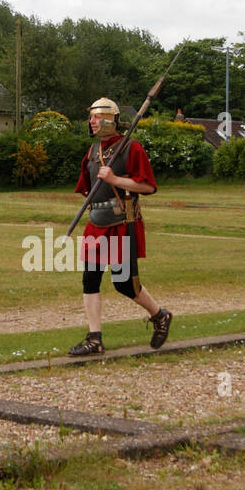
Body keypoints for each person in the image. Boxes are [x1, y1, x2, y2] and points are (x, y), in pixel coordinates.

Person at [68, 97, 172, 356]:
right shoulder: (93, 152)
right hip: (97, 224)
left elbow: (148, 186)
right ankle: (94, 339)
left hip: (122, 223)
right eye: (91, 117)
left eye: (97, 117)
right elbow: (87, 190)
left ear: (110, 120)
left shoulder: (131, 148)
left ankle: (160, 315)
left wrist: (116, 179)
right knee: (89, 279)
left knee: (124, 283)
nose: (92, 122)